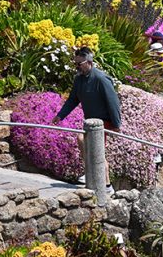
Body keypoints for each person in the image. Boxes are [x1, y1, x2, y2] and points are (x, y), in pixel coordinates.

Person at [52, 47, 122, 189]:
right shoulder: (79, 80)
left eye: (79, 63)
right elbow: (73, 99)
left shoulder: (101, 79)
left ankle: (96, 177)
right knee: (95, 151)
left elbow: (113, 102)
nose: (77, 66)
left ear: (89, 61)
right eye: (75, 63)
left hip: (104, 122)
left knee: (86, 143)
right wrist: (60, 115)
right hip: (90, 123)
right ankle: (106, 185)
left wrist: (116, 124)